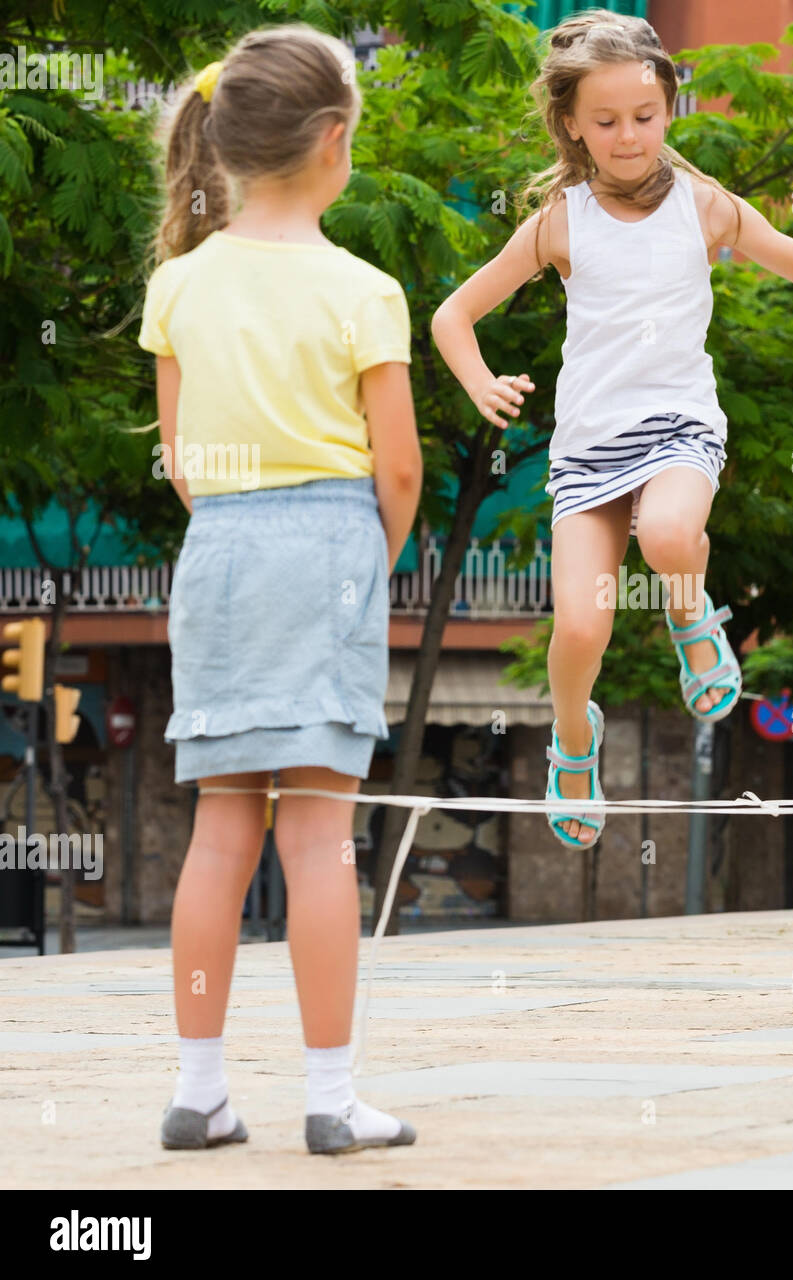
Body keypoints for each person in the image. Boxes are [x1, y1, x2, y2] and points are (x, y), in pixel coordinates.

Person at [432, 10, 793, 846]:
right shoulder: (561, 220)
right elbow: (455, 314)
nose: (627, 136)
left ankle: (691, 614)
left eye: (644, 116)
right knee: (581, 629)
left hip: (679, 429)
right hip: (589, 450)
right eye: (605, 122)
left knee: (670, 536)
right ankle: (573, 737)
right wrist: (481, 382)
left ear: (669, 109)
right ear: (571, 125)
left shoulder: (707, 207)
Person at [138, 24, 423, 1151]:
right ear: (334, 139)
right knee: (318, 837)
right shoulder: (364, 288)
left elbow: (178, 461)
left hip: (222, 551)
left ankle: (198, 1088)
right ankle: (330, 1092)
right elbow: (395, 464)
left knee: (220, 829)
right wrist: (372, 554)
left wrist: (237, 531)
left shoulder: (178, 282)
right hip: (330, 544)